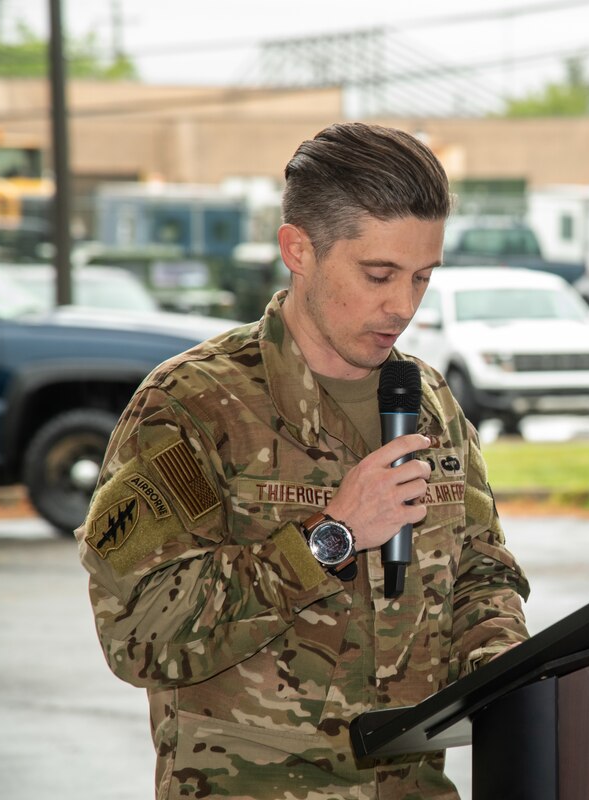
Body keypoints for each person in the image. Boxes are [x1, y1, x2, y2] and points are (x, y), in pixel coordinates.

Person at [77, 122, 530, 799]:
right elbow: (139, 635)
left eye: (422, 277)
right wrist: (329, 539)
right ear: (299, 250)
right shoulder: (191, 406)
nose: (402, 306)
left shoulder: (430, 401)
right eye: (378, 275)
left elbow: (482, 576)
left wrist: (511, 670)